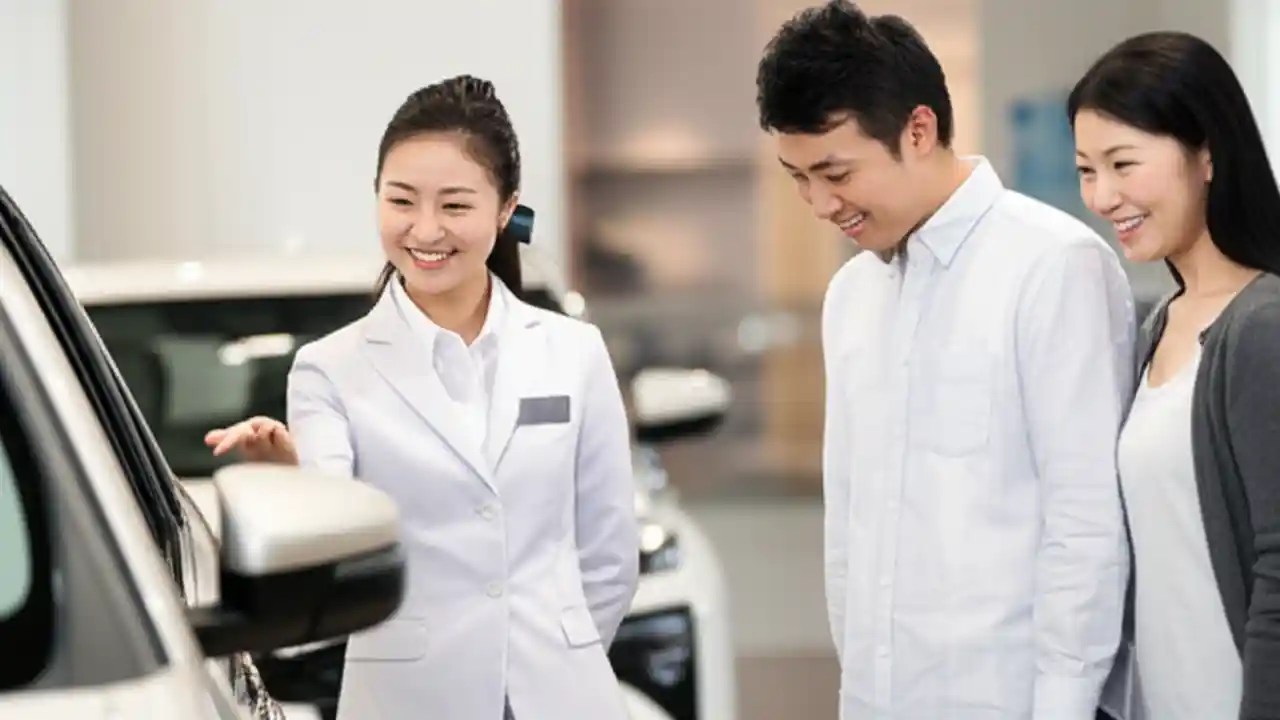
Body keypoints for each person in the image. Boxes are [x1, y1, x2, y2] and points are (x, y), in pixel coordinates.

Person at [204, 75, 639, 720]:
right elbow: (335, 555)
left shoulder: (573, 352)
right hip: (411, 700)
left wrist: (548, 662)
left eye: (455, 206)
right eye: (401, 200)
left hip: (563, 696)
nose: (425, 230)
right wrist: (287, 487)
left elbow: (609, 554)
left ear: (505, 209)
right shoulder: (328, 369)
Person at [756, 2, 1135, 717]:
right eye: (797, 176)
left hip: (1009, 700)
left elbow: (1085, 527)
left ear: (918, 130)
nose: (818, 202)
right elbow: (849, 525)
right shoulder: (851, 297)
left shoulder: (1053, 267)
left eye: (835, 172)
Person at [1071, 31, 1280, 720]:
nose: (1102, 197)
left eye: (1122, 163)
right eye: (1086, 170)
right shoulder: (1161, 320)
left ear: (1208, 153)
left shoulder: (1263, 326)